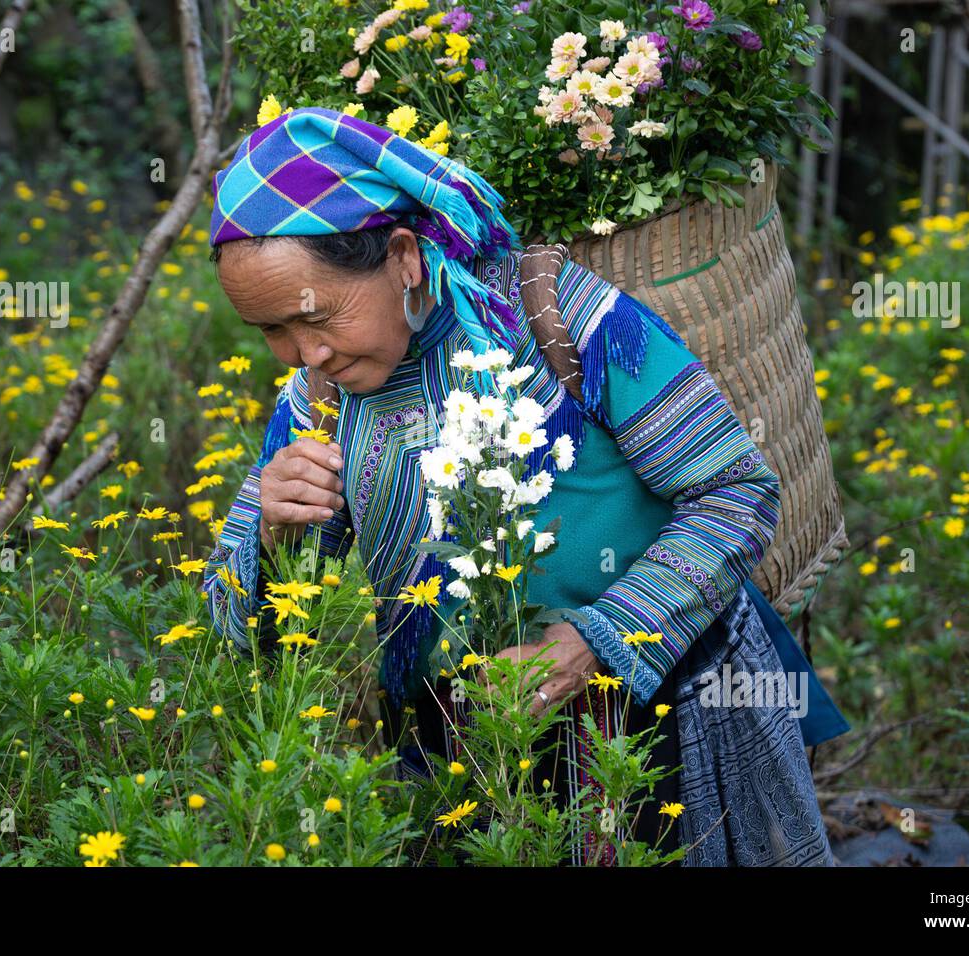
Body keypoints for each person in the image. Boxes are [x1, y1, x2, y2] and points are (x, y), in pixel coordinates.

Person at [203, 106, 848, 865]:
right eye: (270, 331)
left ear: (403, 257)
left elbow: (736, 492)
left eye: (315, 317)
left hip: (654, 728)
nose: (300, 352)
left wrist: (589, 641)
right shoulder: (317, 400)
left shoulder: (556, 315)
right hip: (464, 756)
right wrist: (270, 536)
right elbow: (238, 624)